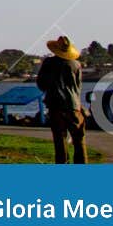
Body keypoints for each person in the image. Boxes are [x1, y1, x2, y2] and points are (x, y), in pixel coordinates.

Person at [36, 35, 86, 165]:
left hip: (55, 106)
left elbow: (41, 84)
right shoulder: (76, 64)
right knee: (79, 139)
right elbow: (78, 87)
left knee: (60, 140)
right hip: (73, 106)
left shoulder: (49, 63)